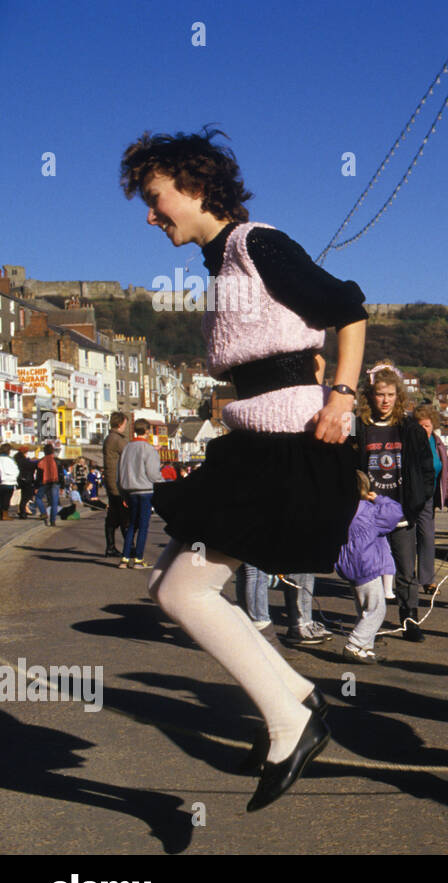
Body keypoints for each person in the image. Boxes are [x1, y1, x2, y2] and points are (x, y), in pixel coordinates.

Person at [121, 126, 366, 811]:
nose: (150, 215)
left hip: (286, 443)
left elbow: (347, 309)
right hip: (256, 440)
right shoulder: (222, 262)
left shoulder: (257, 243)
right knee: (167, 585)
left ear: (195, 186)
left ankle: (292, 720)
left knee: (182, 592)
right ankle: (295, 697)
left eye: (155, 197)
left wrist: (342, 397)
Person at [357, 365, 436, 641]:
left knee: (405, 570)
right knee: (369, 570)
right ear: (370, 395)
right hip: (368, 512)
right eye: (380, 394)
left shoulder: (410, 429)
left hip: (401, 510)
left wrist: (419, 500)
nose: (385, 400)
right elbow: (345, 464)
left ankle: (409, 619)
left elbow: (427, 468)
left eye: (390, 394)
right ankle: (369, 623)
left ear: (398, 396)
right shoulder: (358, 427)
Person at [336, 471, 404, 664]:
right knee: (376, 609)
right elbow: (395, 512)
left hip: (348, 565)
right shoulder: (368, 511)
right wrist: (379, 499)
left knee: (364, 610)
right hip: (367, 566)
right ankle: (355, 644)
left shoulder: (341, 510)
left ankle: (365, 648)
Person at [411, 403, 448, 594]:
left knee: (427, 538)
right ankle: (405, 579)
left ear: (433, 425)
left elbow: (445, 474)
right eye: (420, 426)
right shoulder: (409, 442)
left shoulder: (437, 444)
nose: (423, 430)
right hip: (408, 497)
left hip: (428, 498)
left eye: (427, 426)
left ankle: (427, 580)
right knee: (406, 538)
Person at [117, 420, 164, 567]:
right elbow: (153, 474)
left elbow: (120, 472)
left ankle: (125, 558)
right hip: (145, 490)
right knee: (143, 526)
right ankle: (138, 559)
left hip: (130, 490)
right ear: (147, 431)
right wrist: (163, 483)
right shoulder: (148, 449)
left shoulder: (126, 448)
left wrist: (122, 492)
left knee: (132, 524)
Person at [102, 412, 130, 556]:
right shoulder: (117, 439)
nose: (125, 427)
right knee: (125, 517)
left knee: (113, 516)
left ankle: (111, 546)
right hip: (118, 483)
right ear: (120, 424)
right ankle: (130, 548)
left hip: (111, 481)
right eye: (125, 424)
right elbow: (130, 454)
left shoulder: (109, 438)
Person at [32, 444, 61, 526]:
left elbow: (39, 475)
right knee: (54, 502)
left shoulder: (41, 461)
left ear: (44, 451)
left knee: (38, 497)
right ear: (53, 451)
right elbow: (61, 474)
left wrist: (36, 486)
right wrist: (62, 485)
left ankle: (43, 513)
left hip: (44, 483)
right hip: (55, 482)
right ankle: (53, 521)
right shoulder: (57, 461)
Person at [0, 445, 18, 520]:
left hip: (1, 482)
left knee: (1, 499)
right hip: (10, 482)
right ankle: (5, 515)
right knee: (6, 499)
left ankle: (1, 514)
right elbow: (16, 470)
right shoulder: (11, 460)